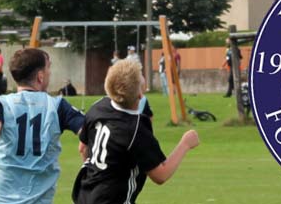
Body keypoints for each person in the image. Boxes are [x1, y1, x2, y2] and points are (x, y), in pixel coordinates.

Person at [0, 48, 86, 204]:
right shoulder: (57, 106)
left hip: (2, 199)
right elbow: (89, 134)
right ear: (40, 76)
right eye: (48, 67)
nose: (50, 73)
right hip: (40, 200)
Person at [72, 60, 199, 204]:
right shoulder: (135, 128)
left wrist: (99, 174)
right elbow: (161, 175)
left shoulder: (98, 106)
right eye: (140, 76)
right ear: (140, 94)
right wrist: (185, 144)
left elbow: (83, 148)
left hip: (84, 196)